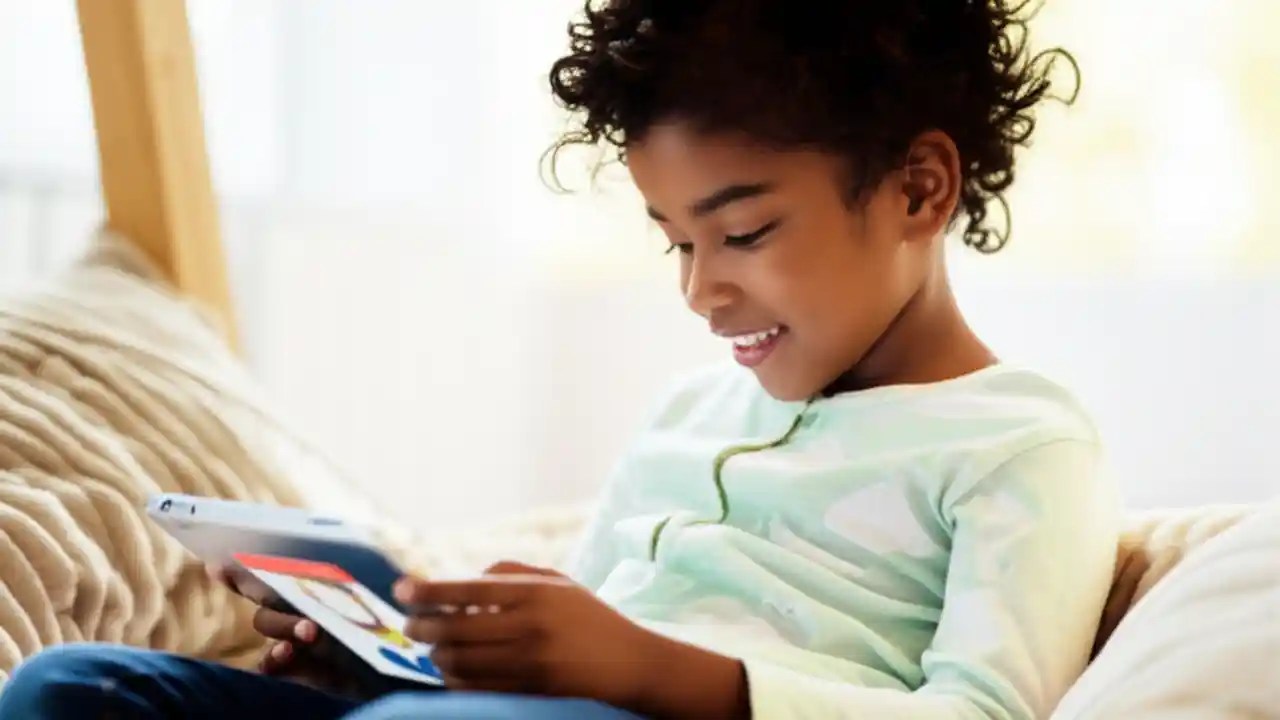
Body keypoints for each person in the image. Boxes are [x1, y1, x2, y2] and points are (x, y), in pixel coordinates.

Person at [0, 1, 1120, 718]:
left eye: (742, 233)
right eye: (675, 240)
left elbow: (983, 716)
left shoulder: (1018, 444)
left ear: (920, 189)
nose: (700, 287)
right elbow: (583, 620)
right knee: (73, 688)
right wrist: (393, 651)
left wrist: (653, 674)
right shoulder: (691, 410)